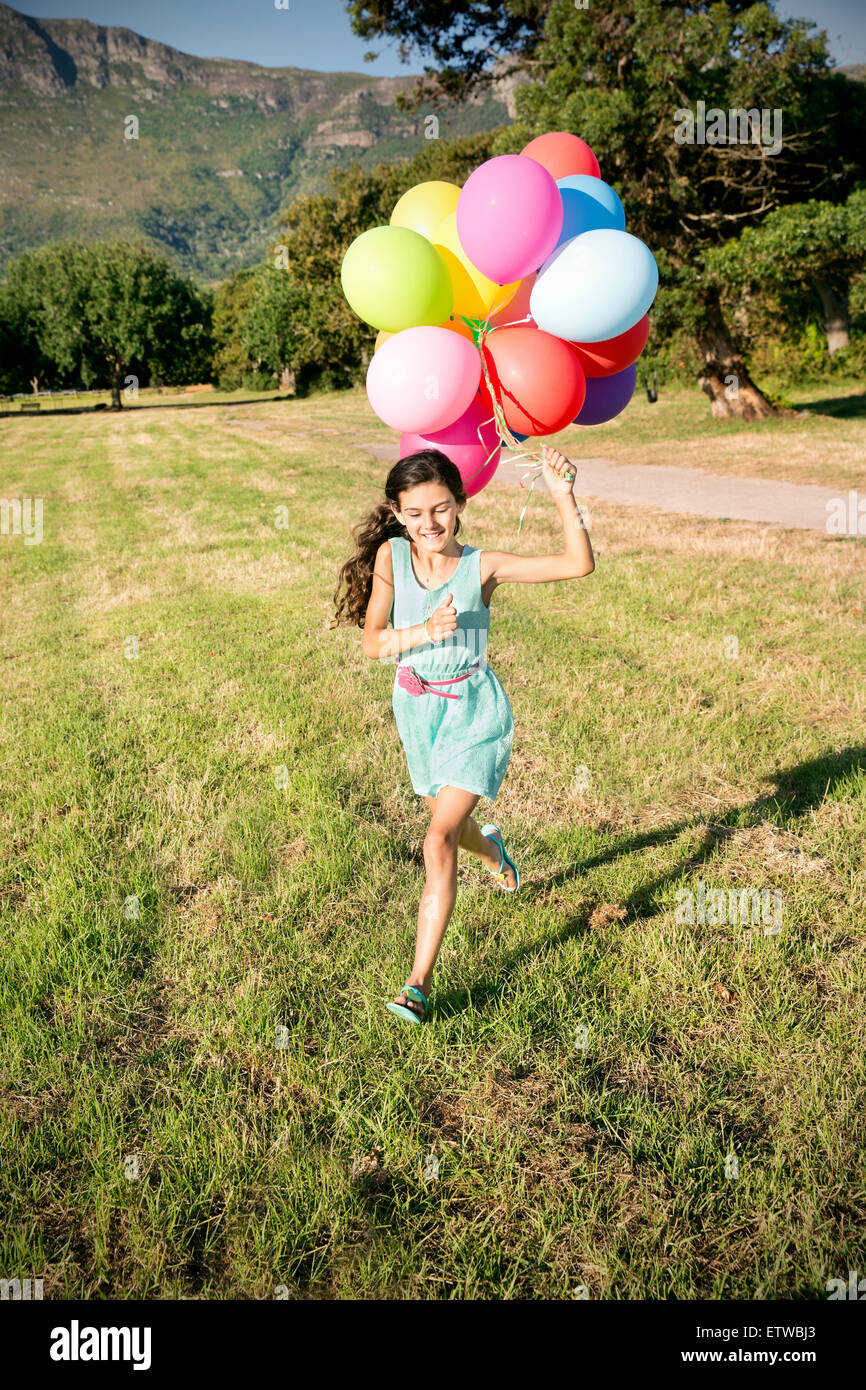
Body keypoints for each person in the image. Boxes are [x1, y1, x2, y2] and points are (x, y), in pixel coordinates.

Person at [331, 444, 595, 1024]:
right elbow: (373, 643)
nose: (430, 524)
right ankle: (495, 851)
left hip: (473, 710)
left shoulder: (483, 566)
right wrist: (424, 630)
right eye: (416, 513)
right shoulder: (390, 559)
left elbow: (578, 564)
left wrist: (562, 494)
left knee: (436, 839)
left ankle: (418, 983)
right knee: (453, 828)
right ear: (398, 514)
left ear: (462, 502)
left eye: (442, 508)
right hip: (416, 710)